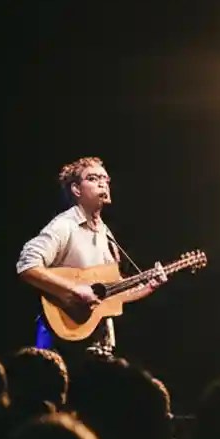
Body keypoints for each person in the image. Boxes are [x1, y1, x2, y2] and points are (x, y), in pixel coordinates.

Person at [15, 156, 166, 364]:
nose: (103, 182)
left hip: (99, 346)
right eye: (94, 178)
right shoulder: (64, 226)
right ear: (77, 190)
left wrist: (147, 287)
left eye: (105, 178)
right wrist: (74, 290)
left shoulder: (106, 234)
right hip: (63, 342)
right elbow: (27, 265)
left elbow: (110, 296)